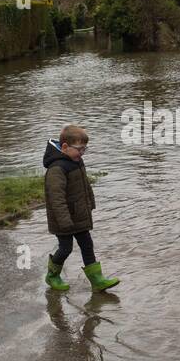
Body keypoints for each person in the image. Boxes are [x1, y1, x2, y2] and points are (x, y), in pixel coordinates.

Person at [43, 124, 119, 292]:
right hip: (63, 219)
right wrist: (64, 221)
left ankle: (97, 280)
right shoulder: (56, 169)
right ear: (64, 147)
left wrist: (90, 203)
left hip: (79, 214)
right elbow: (56, 199)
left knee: (87, 245)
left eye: (85, 149)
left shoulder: (76, 161)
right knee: (65, 248)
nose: (82, 153)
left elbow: (84, 186)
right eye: (79, 149)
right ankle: (52, 275)